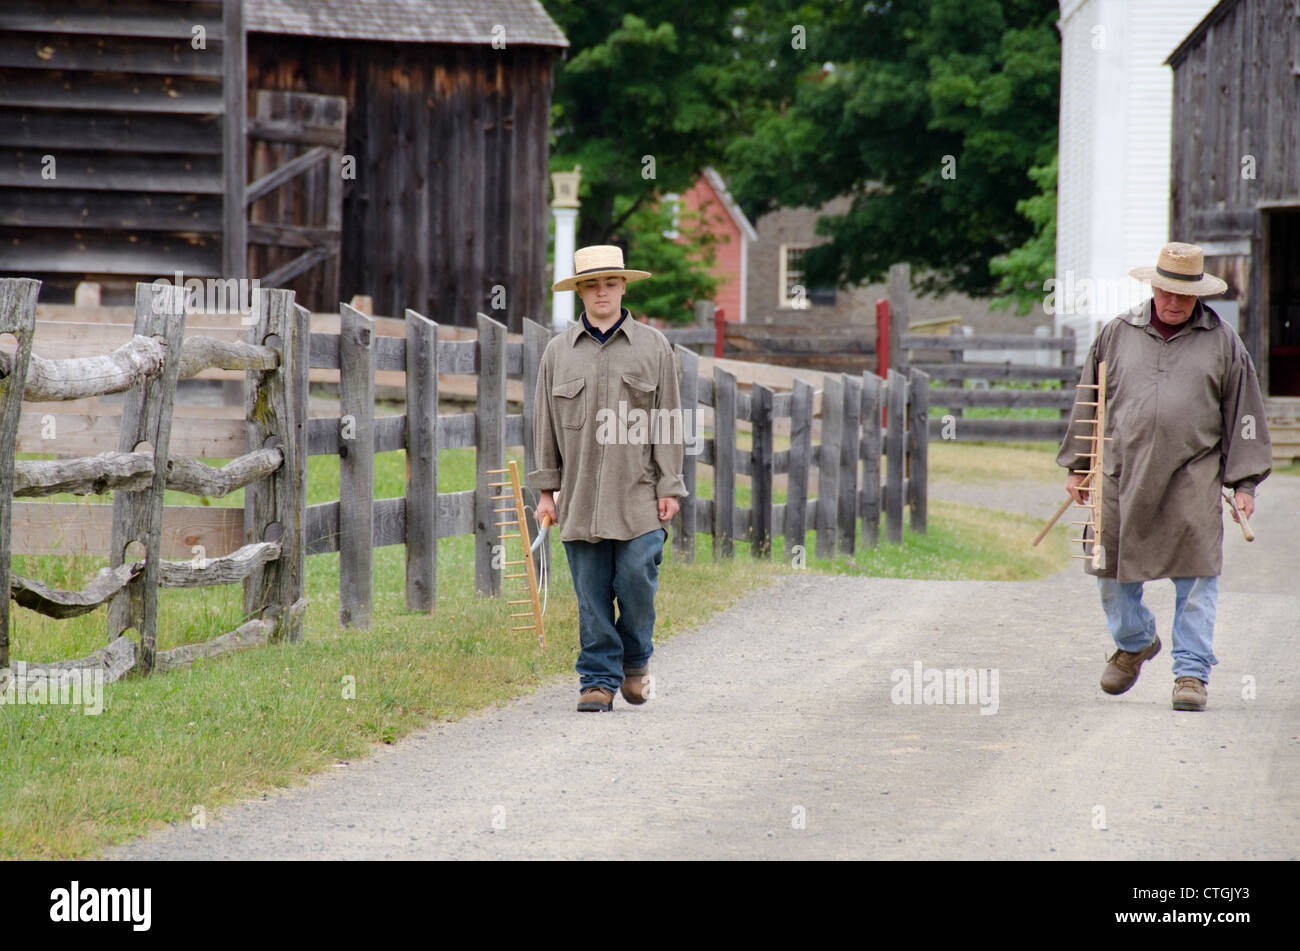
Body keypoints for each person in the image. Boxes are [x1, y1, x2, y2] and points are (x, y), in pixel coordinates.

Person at [1057, 242, 1272, 712]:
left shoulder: (1223, 342)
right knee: (1110, 574)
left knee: (1196, 577)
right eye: (1165, 291)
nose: (1173, 302)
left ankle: (1191, 673)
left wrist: (1245, 483)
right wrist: (1079, 467)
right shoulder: (1116, 333)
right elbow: (1089, 400)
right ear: (1152, 286)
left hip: (1192, 474)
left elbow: (1245, 415)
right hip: (1120, 472)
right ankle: (1134, 641)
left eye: (1183, 294)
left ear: (1199, 294)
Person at [529, 245, 688, 712]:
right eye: (592, 285)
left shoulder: (653, 347)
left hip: (639, 494)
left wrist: (669, 486)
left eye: (610, 283)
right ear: (580, 291)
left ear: (624, 287)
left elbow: (669, 419)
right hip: (577, 496)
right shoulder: (558, 352)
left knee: (637, 575)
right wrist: (545, 491)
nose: (602, 292)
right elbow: (544, 427)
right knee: (591, 593)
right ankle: (597, 681)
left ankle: (635, 664)